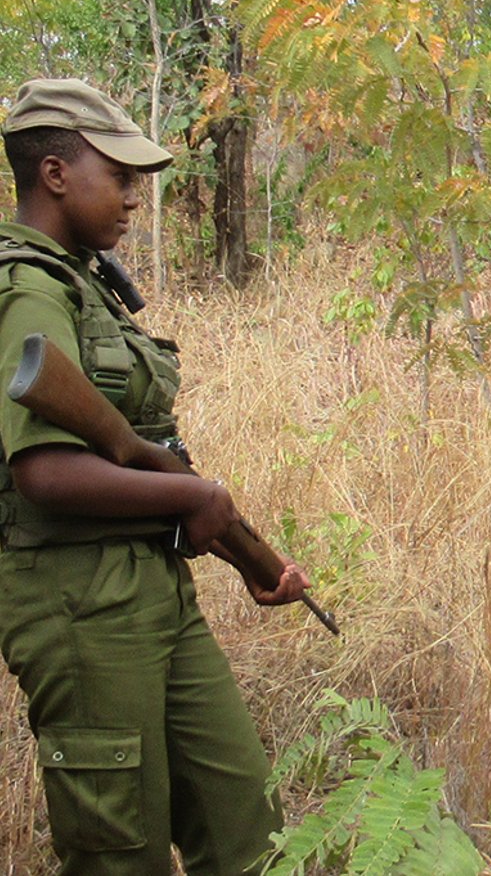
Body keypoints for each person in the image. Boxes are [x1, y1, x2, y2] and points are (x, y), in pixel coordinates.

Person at [0, 78, 307, 874]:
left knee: (250, 831)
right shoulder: (27, 288)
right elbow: (45, 473)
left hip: (151, 587)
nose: (134, 196)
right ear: (55, 173)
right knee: (120, 854)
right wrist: (193, 494)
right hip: (78, 603)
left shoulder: (84, 282)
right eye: (119, 175)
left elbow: (128, 445)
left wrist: (239, 550)